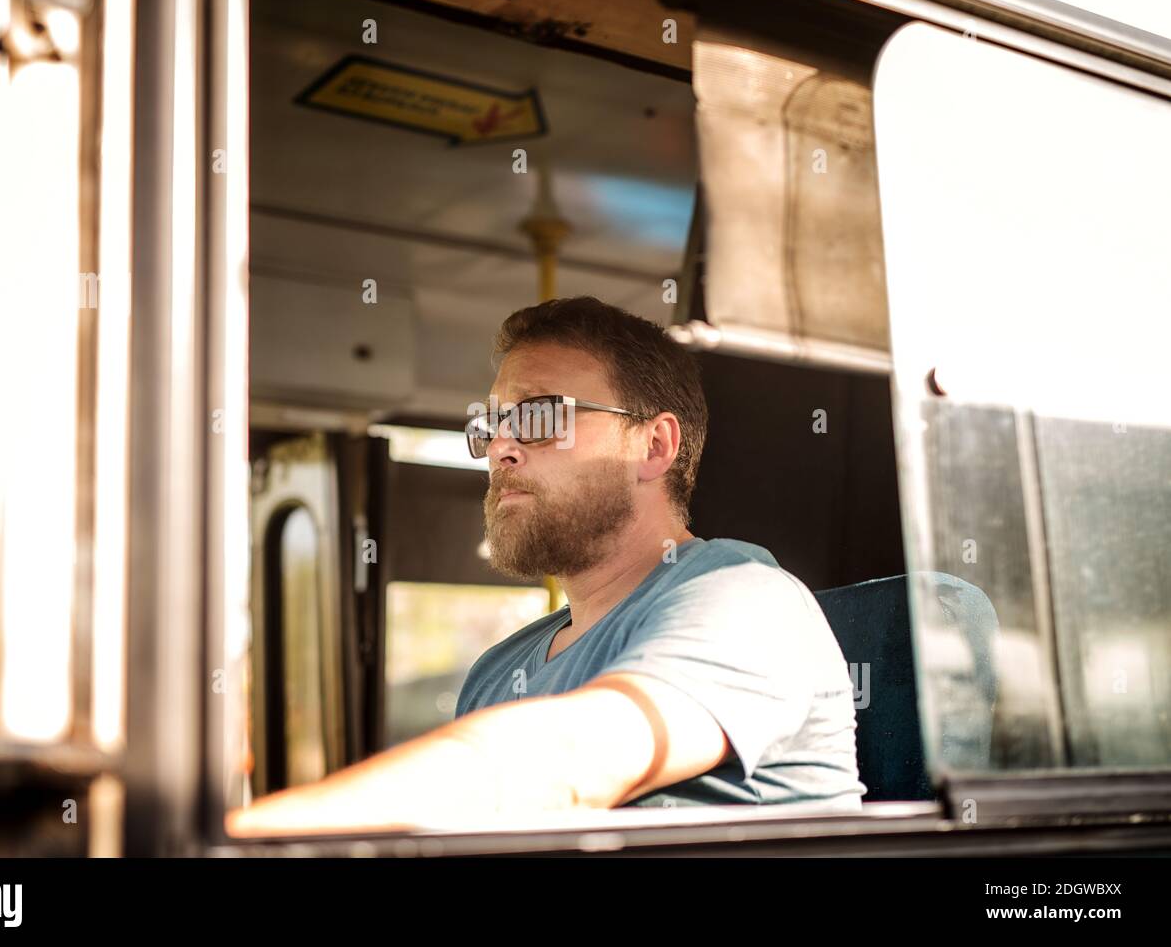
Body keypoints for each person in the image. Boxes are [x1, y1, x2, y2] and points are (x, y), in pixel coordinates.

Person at [227, 295, 865, 837]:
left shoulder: (746, 598)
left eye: (537, 417)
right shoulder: (498, 670)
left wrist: (240, 841)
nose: (501, 446)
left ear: (653, 445)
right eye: (492, 423)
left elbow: (564, 767)